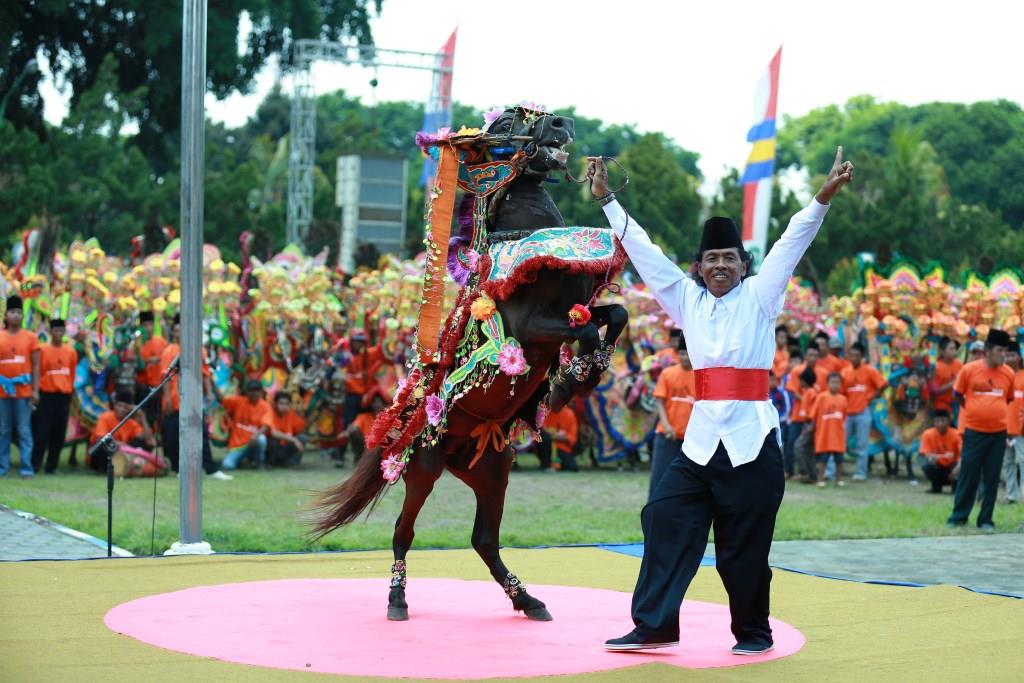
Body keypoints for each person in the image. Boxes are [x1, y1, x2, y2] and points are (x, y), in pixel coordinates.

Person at [595, 148, 853, 653]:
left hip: (752, 443)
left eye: (728, 258)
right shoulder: (685, 298)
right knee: (664, 520)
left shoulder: (761, 295)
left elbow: (791, 241)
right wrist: (606, 199)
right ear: (699, 266)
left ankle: (754, 632)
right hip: (698, 443)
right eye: (710, 258)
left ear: (742, 265)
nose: (719, 265)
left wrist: (822, 197)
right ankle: (654, 625)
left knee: (744, 550)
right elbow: (644, 251)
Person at [947, 329, 1014, 530]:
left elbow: (1007, 399)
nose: (1003, 355)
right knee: (969, 474)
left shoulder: (1008, 374)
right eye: (1000, 350)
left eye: (1006, 351)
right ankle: (959, 516)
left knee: (992, 476)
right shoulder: (969, 370)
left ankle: (985, 520)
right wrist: (975, 410)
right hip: (974, 431)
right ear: (987, 350)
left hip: (998, 433)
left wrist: (992, 411)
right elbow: (957, 395)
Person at [159, 315, 232, 480]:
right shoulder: (169, 351)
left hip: (193, 399)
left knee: (201, 435)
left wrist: (209, 392)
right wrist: (168, 399)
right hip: (174, 399)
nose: (179, 333)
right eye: (176, 330)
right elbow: (165, 377)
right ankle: (177, 468)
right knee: (172, 436)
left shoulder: (199, 349)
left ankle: (211, 469)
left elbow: (205, 373)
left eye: (181, 330)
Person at [650, 334, 696, 498]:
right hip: (667, 435)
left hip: (691, 439)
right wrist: (667, 425)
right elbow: (660, 402)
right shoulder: (668, 374)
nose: (685, 357)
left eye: (688, 354)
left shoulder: (700, 376)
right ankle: (653, 512)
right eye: (682, 353)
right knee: (659, 478)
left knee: (688, 482)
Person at [31, 318, 78, 474]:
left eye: (61, 330)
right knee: (42, 431)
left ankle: (52, 466)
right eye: (55, 330)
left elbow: (72, 374)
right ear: (50, 332)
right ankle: (35, 464)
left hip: (63, 396)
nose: (58, 333)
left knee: (59, 432)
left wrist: (70, 392)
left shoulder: (70, 351)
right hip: (46, 395)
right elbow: (37, 371)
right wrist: (35, 391)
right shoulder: (42, 349)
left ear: (64, 332)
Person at [0, 295, 40, 478]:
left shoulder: (31, 338)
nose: (15, 315)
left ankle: (26, 468)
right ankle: (2, 467)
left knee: (24, 430)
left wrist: (36, 391)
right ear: (6, 315)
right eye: (12, 312)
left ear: (23, 316)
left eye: (18, 312)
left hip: (24, 392)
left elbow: (36, 365)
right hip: (2, 392)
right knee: (3, 430)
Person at [841, 342, 887, 481]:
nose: (854, 358)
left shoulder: (869, 370)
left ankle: (861, 473)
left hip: (863, 412)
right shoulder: (845, 372)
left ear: (862, 357)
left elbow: (883, 384)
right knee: (840, 443)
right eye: (852, 355)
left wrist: (872, 396)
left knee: (862, 445)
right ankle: (835, 471)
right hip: (848, 413)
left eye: (857, 356)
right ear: (848, 356)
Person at [90, 389, 157, 472]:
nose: (122, 409)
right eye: (119, 406)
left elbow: (151, 442)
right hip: (104, 455)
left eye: (125, 407)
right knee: (106, 446)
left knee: (141, 443)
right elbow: (100, 439)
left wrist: (142, 416)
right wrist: (124, 446)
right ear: (114, 406)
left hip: (124, 453)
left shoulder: (131, 423)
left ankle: (128, 464)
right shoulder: (105, 417)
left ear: (130, 409)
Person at [220, 379, 272, 470]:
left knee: (261, 439)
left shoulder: (265, 406)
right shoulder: (239, 402)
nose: (254, 393)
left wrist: (256, 435)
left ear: (261, 392)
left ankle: (259, 464)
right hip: (237, 446)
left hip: (254, 442)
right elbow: (222, 400)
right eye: (251, 390)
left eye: (256, 390)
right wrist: (211, 383)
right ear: (247, 391)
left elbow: (266, 425)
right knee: (227, 466)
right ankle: (242, 461)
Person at [810, 373, 848, 487]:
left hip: (838, 435)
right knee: (823, 459)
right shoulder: (821, 397)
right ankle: (821, 479)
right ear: (827, 383)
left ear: (841, 384)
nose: (835, 385)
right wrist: (812, 428)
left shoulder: (843, 399)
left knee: (839, 459)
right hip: (824, 434)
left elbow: (844, 417)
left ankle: (839, 479)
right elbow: (813, 414)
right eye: (832, 382)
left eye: (837, 382)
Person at [343, 331, 383, 427]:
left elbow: (381, 349)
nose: (358, 344)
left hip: (366, 397)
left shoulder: (368, 354)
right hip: (352, 395)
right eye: (356, 341)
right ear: (351, 342)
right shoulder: (346, 357)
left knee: (367, 421)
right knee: (350, 422)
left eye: (361, 342)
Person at [137, 310, 168, 425]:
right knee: (145, 416)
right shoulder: (137, 344)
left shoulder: (161, 341)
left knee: (160, 416)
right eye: (145, 325)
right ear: (140, 327)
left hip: (160, 386)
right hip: (143, 387)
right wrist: (149, 361)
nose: (148, 328)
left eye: (150, 325)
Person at [919, 409, 961, 493]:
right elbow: (927, 455)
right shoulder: (927, 434)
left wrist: (957, 470)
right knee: (927, 465)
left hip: (953, 468)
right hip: (938, 466)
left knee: (963, 466)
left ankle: (956, 486)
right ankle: (936, 486)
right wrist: (942, 456)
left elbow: (963, 455)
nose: (940, 424)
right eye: (937, 421)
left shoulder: (957, 434)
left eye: (943, 421)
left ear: (948, 422)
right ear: (934, 422)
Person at [1003, 340, 1024, 503]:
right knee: (1008, 462)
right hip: (1003, 428)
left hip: (1021, 428)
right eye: (1007, 354)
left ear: (1019, 357)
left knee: (1023, 462)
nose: (1009, 358)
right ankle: (1011, 495)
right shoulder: (1002, 377)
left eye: (1012, 355)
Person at [263, 391, 307, 468]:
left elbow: (302, 428)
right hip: (271, 448)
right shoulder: (270, 412)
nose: (284, 406)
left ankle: (292, 463)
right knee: (273, 441)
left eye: (287, 404)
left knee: (303, 438)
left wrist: (300, 413)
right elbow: (274, 433)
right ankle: (270, 463)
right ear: (275, 404)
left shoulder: (290, 414)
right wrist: (294, 440)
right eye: (281, 403)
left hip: (284, 448)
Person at [792, 367, 821, 482]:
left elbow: (815, 410)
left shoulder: (812, 393)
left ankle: (805, 473)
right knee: (808, 450)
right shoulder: (808, 392)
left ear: (804, 380)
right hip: (807, 423)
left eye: (800, 380)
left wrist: (811, 425)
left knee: (798, 446)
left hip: (810, 424)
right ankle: (812, 475)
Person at [540, 403, 579, 472]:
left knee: (572, 467)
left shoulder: (569, 413)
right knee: (545, 439)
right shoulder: (546, 413)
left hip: (562, 448)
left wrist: (561, 436)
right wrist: (556, 435)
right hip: (549, 447)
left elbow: (572, 438)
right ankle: (547, 465)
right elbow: (542, 431)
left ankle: (557, 465)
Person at [930, 337, 962, 417]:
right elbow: (934, 392)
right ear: (943, 352)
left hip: (956, 404)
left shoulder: (958, 364)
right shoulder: (936, 367)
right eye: (951, 349)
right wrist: (953, 382)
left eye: (955, 348)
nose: (954, 351)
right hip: (941, 406)